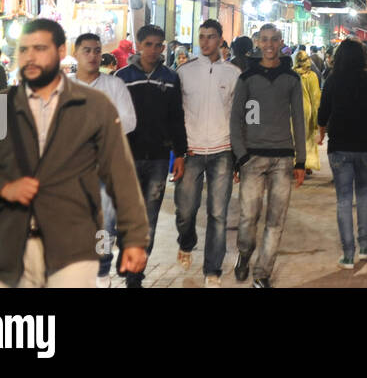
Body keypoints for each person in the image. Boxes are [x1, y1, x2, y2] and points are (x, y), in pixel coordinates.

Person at [0, 18, 149, 288]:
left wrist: (135, 239)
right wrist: (2, 188)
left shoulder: (95, 106)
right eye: (24, 50)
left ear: (61, 52)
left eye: (40, 48)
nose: (30, 57)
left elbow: (122, 177)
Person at [230, 22, 307, 288]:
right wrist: (240, 156)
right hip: (252, 158)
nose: (270, 44)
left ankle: (262, 273)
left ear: (281, 41)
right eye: (265, 40)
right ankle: (244, 253)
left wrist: (301, 161)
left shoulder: (292, 79)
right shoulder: (247, 78)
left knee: (276, 220)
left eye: (274, 39)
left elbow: (299, 119)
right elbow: (236, 119)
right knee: (248, 217)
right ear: (258, 43)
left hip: (283, 160)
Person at [115, 24, 186, 287]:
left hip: (158, 158)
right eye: (149, 45)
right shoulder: (121, 77)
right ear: (138, 44)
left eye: (159, 45)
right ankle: (125, 251)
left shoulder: (170, 77)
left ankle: (136, 274)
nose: (154, 50)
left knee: (150, 218)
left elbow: (176, 118)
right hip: (127, 157)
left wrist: (180, 153)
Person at [174, 18, 241, 287]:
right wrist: (177, 148)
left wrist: (239, 154)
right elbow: (175, 113)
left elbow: (240, 115)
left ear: (220, 40)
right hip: (191, 150)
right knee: (185, 210)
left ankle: (212, 270)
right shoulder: (184, 72)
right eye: (201, 36)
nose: (204, 42)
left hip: (222, 150)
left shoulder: (233, 74)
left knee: (218, 213)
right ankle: (186, 242)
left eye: (210, 36)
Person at [70, 32, 137, 287]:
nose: (93, 55)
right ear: (76, 53)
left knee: (105, 222)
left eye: (97, 50)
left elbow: (130, 120)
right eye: (87, 50)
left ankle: (101, 272)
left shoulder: (114, 86)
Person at [319, 39, 367, 269]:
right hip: (366, 143)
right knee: (364, 194)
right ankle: (365, 246)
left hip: (339, 145)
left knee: (344, 199)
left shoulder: (332, 80)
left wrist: (321, 131)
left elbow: (322, 114)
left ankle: (348, 254)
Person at [293, 49, 322, 174]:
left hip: (292, 110)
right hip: (306, 110)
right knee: (308, 139)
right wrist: (317, 120)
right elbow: (315, 99)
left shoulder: (291, 74)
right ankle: (306, 164)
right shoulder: (311, 76)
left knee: (295, 137)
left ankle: (296, 163)